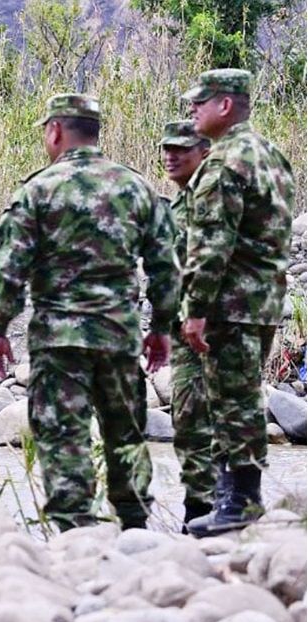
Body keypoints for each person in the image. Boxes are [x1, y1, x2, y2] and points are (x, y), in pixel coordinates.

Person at [0, 94, 178, 531]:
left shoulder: (38, 190)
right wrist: (162, 326)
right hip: (118, 336)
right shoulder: (135, 187)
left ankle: (75, 531)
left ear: (55, 131)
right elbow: (166, 264)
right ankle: (135, 526)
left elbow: (10, 266)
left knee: (63, 435)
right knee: (125, 434)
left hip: (59, 340)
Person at [179, 69, 296, 537]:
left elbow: (211, 245)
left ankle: (241, 499)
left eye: (199, 102)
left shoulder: (225, 163)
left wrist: (196, 309)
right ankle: (234, 495)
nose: (193, 110)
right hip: (265, 298)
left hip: (231, 301)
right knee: (241, 393)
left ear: (224, 106)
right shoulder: (270, 155)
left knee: (232, 398)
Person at [159, 120, 217, 528]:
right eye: (167, 149)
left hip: (215, 325)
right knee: (187, 415)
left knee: (218, 413)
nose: (171, 156)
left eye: (182, 149)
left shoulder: (212, 199)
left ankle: (226, 503)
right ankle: (198, 507)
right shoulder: (178, 203)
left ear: (205, 152)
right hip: (183, 325)